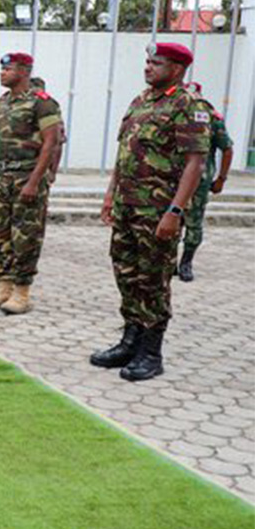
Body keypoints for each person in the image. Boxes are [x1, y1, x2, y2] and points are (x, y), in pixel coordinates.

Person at [91, 43, 208, 382]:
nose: (148, 67)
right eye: (147, 61)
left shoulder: (188, 105)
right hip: (127, 206)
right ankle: (130, 341)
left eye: (156, 63)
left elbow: (195, 163)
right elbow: (124, 154)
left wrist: (175, 211)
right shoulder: (140, 101)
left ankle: (151, 352)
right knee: (126, 273)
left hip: (157, 210)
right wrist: (110, 194)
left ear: (177, 69)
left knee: (153, 279)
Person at [0, 53, 62, 315]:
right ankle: (3, 288)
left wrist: (35, 181)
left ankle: (22, 293)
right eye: (2, 69)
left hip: (27, 175)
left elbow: (51, 142)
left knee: (25, 235)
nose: (2, 73)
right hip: (2, 177)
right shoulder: (3, 101)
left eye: (9, 69)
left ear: (24, 71)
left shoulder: (42, 102)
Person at [178, 82, 233, 282]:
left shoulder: (211, 117)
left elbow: (227, 148)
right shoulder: (175, 114)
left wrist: (221, 179)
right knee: (172, 218)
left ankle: (186, 262)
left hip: (198, 182)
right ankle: (168, 261)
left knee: (193, 222)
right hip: (172, 179)